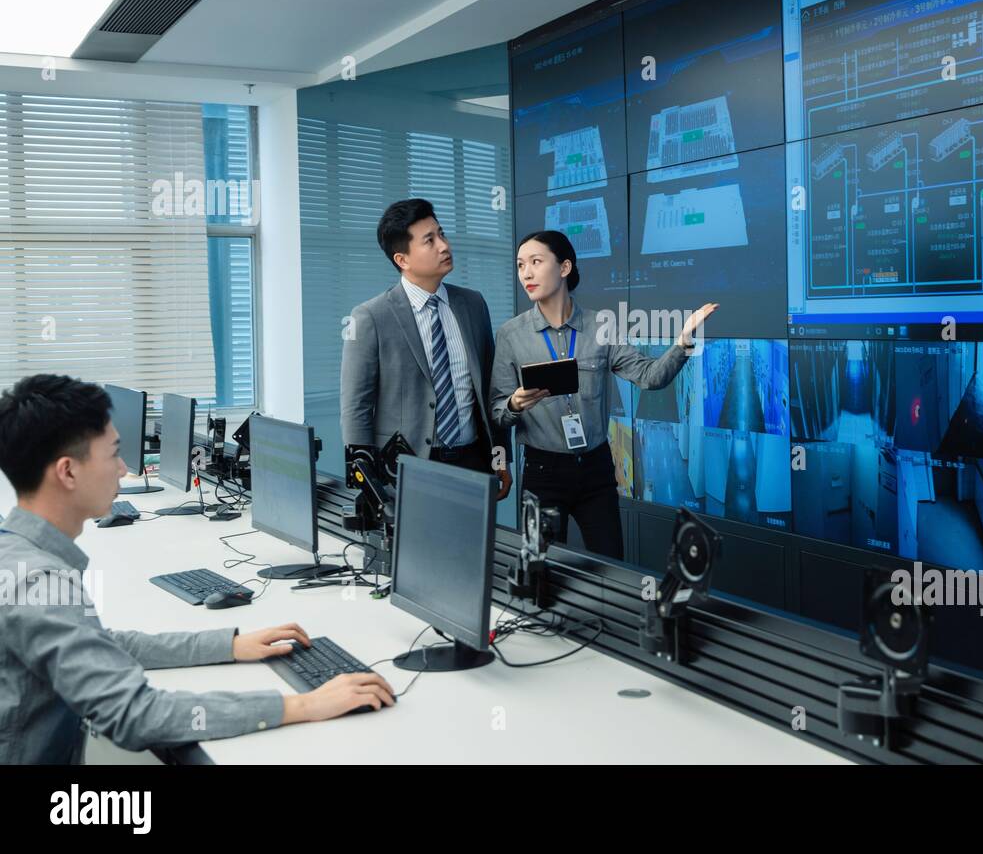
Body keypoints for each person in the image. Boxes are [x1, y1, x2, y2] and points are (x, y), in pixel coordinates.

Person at [0, 375, 395, 764]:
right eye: (112, 454)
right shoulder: (41, 583)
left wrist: (227, 645)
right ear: (68, 472)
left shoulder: (18, 554)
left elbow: (98, 646)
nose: (123, 468)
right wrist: (301, 705)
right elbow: (135, 716)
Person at [490, 231, 716, 559]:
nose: (526, 273)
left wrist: (682, 342)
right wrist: (513, 404)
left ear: (564, 267)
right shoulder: (510, 335)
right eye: (521, 265)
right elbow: (497, 412)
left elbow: (650, 378)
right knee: (539, 568)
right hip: (543, 473)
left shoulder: (601, 327)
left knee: (611, 567)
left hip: (595, 469)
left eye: (536, 262)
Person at [341, 198, 511, 497]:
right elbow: (356, 406)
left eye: (442, 234)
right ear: (402, 259)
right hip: (407, 467)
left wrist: (500, 458)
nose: (444, 246)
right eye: (429, 241)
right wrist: (367, 480)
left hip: (473, 460)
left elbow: (490, 392)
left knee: (472, 544)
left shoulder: (473, 304)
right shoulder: (370, 316)